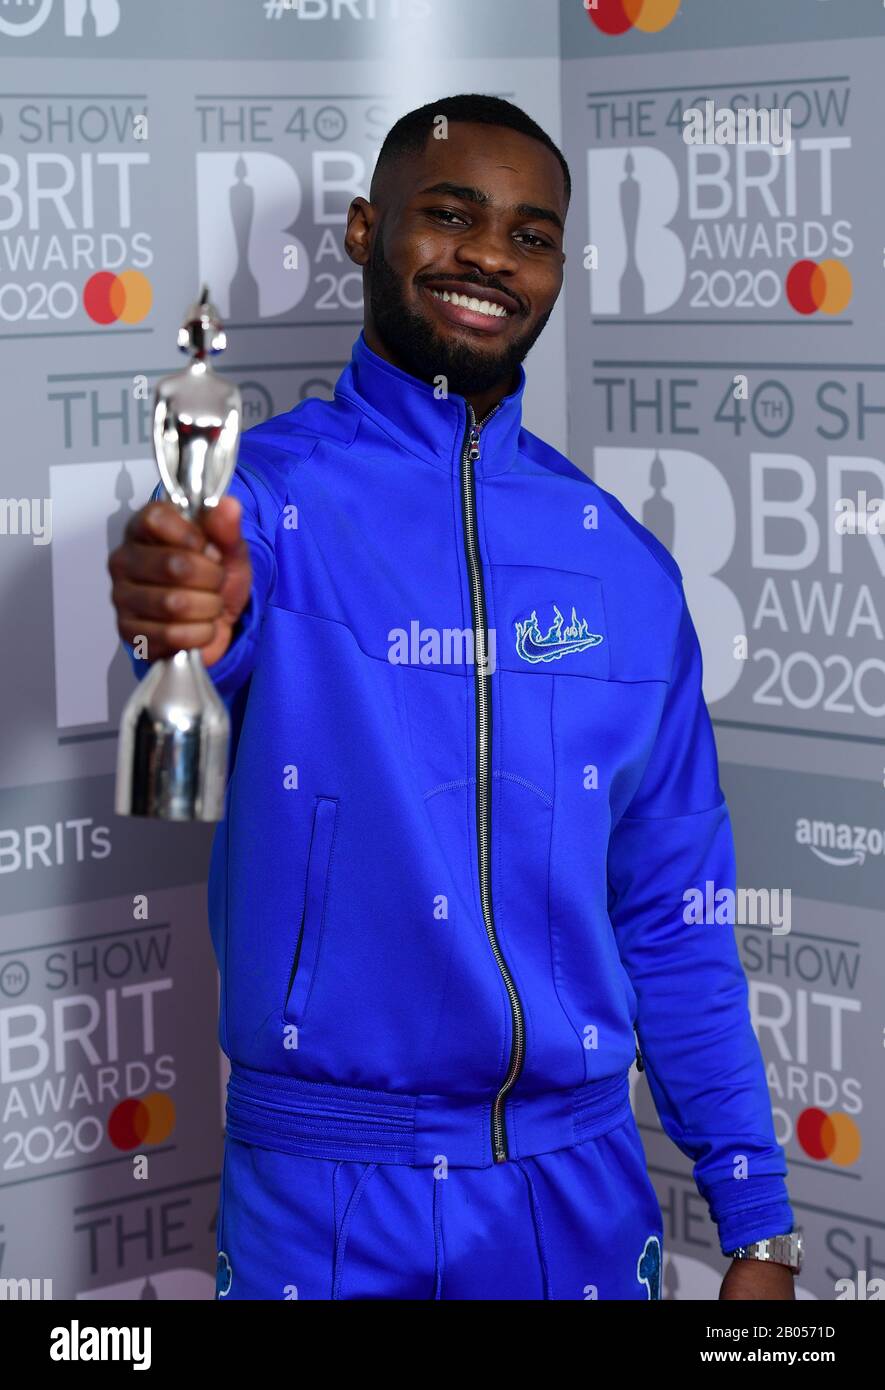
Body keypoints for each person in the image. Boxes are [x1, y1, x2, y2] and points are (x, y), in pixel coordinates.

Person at [109, 94, 798, 1301]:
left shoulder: (623, 567)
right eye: (451, 215)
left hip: (578, 1196)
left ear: (559, 272)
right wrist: (177, 603)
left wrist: (757, 1215)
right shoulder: (266, 503)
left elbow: (674, 916)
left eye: (530, 235)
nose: (489, 255)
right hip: (322, 1199)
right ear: (369, 231)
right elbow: (192, 629)